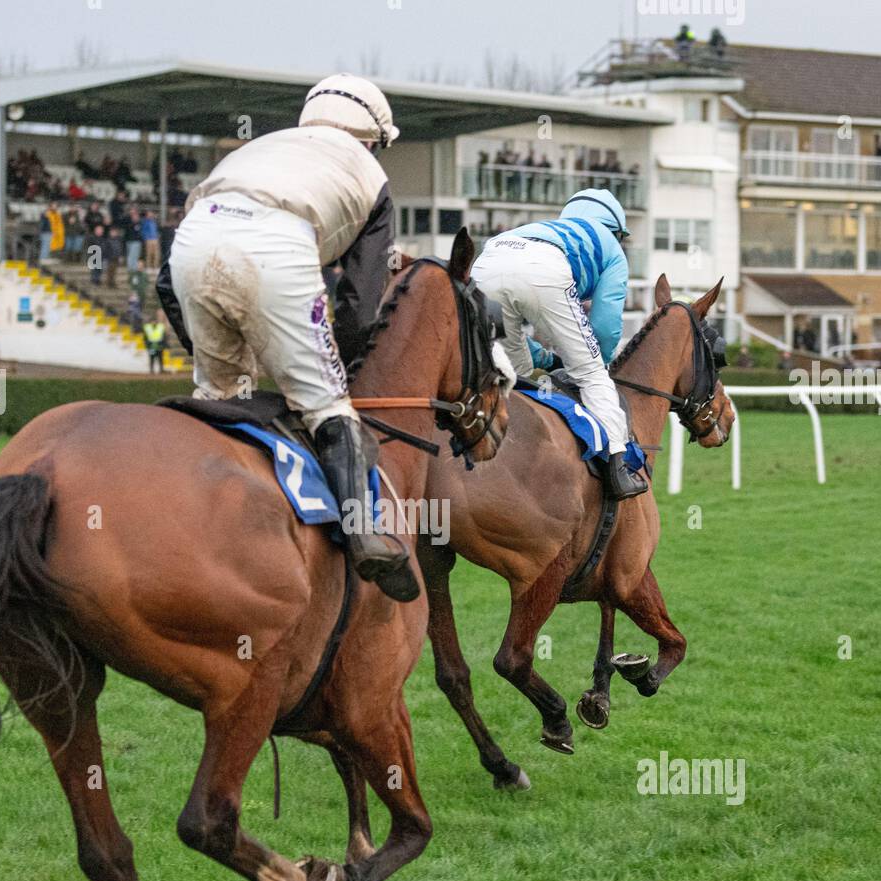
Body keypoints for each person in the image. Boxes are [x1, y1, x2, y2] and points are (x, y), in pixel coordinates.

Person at [156, 73, 420, 601]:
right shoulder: (369, 173)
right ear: (372, 139)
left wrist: (217, 353)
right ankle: (361, 533)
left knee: (224, 397)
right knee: (327, 407)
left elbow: (165, 283)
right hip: (276, 249)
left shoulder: (260, 147)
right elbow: (359, 304)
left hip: (193, 243)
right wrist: (333, 370)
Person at [469, 187, 647, 500]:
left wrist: (550, 360)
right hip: (543, 269)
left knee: (516, 367)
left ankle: (490, 435)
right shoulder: (611, 249)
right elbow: (605, 329)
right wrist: (593, 361)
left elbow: (524, 338)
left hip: (488, 260)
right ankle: (618, 467)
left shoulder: (546, 229)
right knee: (592, 374)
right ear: (616, 230)